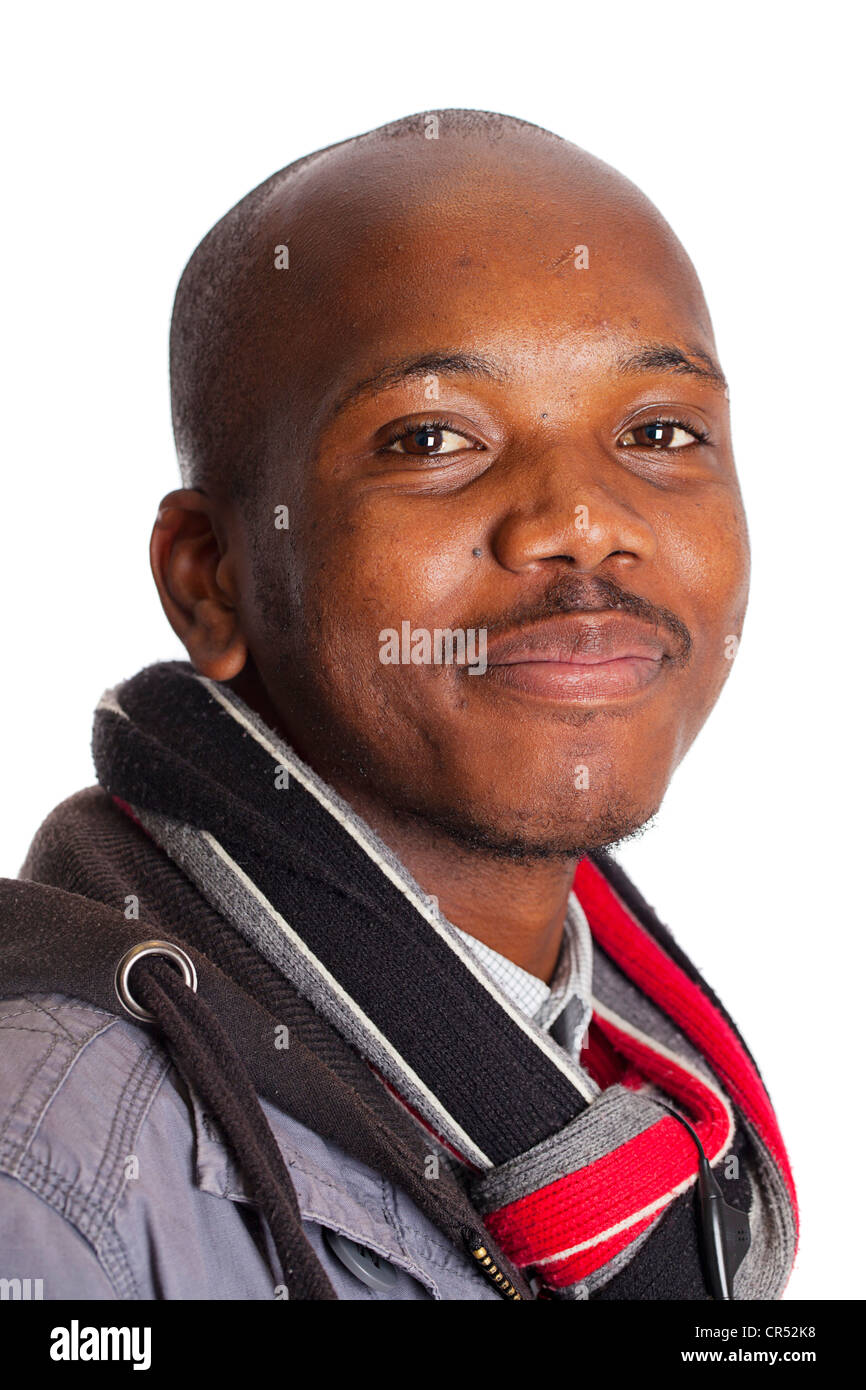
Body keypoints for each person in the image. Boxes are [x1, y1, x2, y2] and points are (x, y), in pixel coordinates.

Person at [0, 109, 797, 1301]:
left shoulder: (654, 1117)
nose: (582, 520)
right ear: (209, 579)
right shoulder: (51, 1174)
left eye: (659, 431)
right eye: (432, 437)